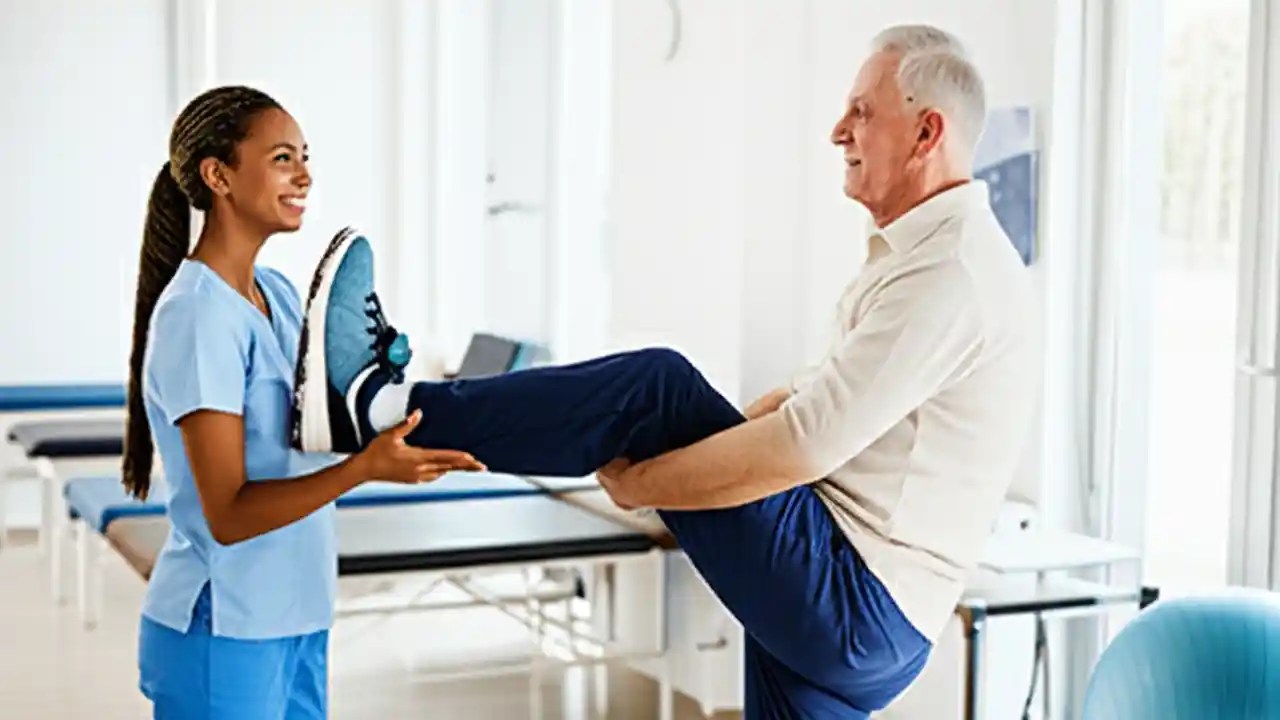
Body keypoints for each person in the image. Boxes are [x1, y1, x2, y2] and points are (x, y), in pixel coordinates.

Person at [290, 24, 1039, 719]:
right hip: (876, 622)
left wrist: (645, 484)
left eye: (860, 112)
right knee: (672, 402)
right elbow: (800, 399)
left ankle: (376, 407)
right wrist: (691, 457)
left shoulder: (951, 272)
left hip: (852, 594)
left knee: (656, 388)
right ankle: (376, 410)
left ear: (926, 132)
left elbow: (802, 444)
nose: (837, 131)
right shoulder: (926, 259)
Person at [122, 85, 486, 719]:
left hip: (296, 608)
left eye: (305, 157)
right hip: (225, 625)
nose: (305, 175)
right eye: (283, 157)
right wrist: (364, 469)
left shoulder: (281, 294)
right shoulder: (197, 317)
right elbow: (228, 516)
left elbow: (321, 423)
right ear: (219, 176)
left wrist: (385, 388)